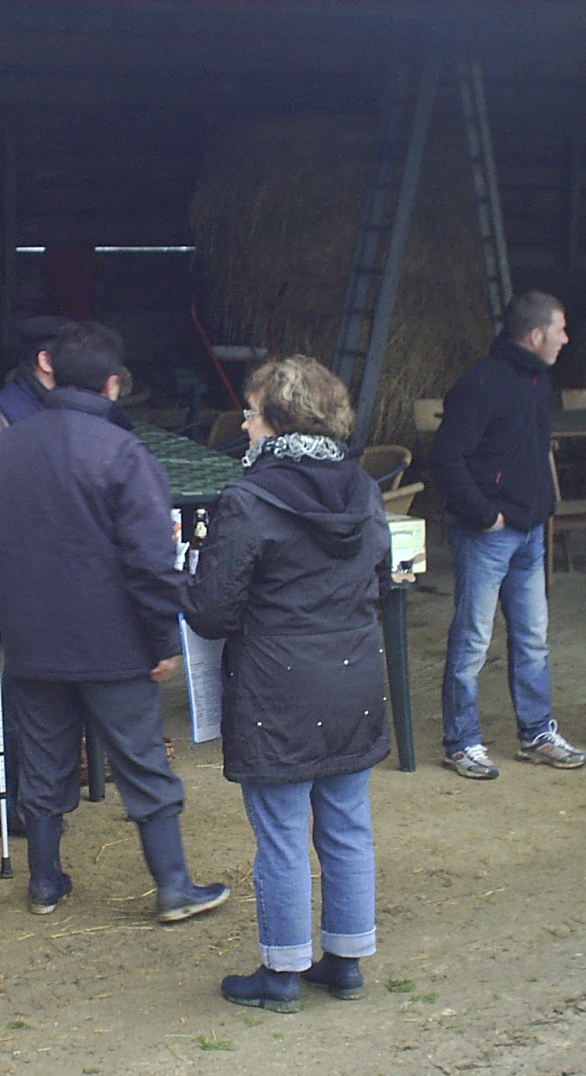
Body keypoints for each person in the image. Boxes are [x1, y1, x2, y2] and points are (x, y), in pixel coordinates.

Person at [0, 320, 228, 923]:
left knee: (42, 760)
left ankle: (44, 882)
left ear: (51, 374)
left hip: (33, 640)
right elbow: (150, 560)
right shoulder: (124, 453)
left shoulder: (10, 445)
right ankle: (172, 886)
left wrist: (4, 609)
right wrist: (163, 637)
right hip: (114, 645)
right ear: (113, 386)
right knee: (142, 762)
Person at [183, 356, 391, 1014]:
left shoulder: (249, 498)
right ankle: (347, 959)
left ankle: (280, 974)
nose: (243, 426)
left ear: (277, 422)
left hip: (277, 684)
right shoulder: (363, 488)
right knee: (348, 826)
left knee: (280, 834)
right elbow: (380, 581)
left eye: (249, 413)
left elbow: (214, 610)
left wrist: (183, 580)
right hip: (353, 673)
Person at [430, 290, 586, 780]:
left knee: (532, 638)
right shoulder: (480, 385)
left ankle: (536, 733)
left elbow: (535, 452)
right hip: (491, 534)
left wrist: (542, 508)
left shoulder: (539, 381)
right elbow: (446, 459)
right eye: (561, 329)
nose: (566, 338)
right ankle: (462, 742)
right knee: (473, 641)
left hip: (528, 531)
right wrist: (483, 515)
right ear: (536, 334)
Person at [0, 315, 70, 839]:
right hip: (25, 579)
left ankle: (35, 800)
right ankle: (0, 806)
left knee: (47, 694)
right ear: (45, 360)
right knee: (21, 695)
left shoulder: (62, 408)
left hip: (59, 575)